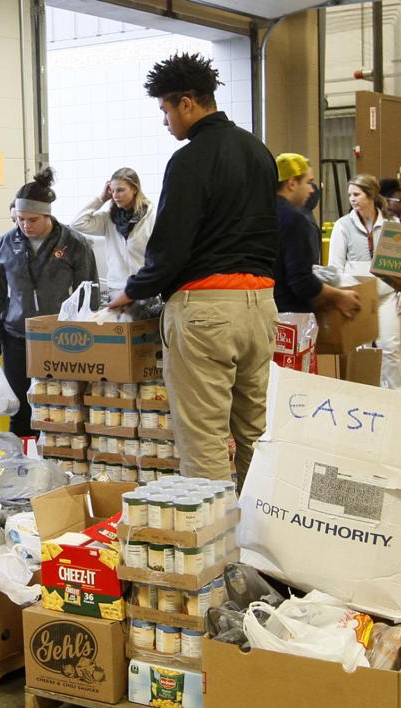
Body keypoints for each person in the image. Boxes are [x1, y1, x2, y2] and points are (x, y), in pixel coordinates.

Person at [108, 52, 279, 482]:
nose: (165, 121)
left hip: (207, 311)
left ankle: (217, 544)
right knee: (254, 433)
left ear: (187, 103)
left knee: (203, 440)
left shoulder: (189, 160)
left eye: (165, 109)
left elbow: (171, 245)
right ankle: (259, 536)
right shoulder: (259, 151)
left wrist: (134, 289)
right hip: (260, 306)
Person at [0, 168, 98, 436]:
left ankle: (59, 459)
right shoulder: (5, 244)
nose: (25, 225)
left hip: (60, 337)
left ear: (48, 215)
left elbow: (89, 293)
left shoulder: (74, 244)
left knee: (59, 406)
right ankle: (23, 465)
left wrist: (87, 335)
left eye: (32, 219)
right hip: (16, 337)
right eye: (20, 219)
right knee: (21, 409)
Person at [328, 173, 401, 390]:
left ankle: (395, 397)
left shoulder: (393, 224)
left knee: (390, 348)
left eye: (357, 194)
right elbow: (335, 267)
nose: (352, 199)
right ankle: (358, 395)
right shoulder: (342, 226)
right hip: (356, 296)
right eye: (350, 195)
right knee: (358, 350)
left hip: (386, 296)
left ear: (371, 195)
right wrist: (345, 292)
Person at [272, 153, 361, 317]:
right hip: (289, 317)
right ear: (291, 183)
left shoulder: (260, 212)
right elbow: (301, 281)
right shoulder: (294, 219)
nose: (312, 189)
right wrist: (339, 296)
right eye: (308, 182)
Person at [70, 167, 157, 298]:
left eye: (120, 190)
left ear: (134, 189)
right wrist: (101, 199)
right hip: (117, 288)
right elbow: (77, 223)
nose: (115, 196)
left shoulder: (151, 216)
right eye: (112, 191)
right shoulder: (109, 218)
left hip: (144, 287)